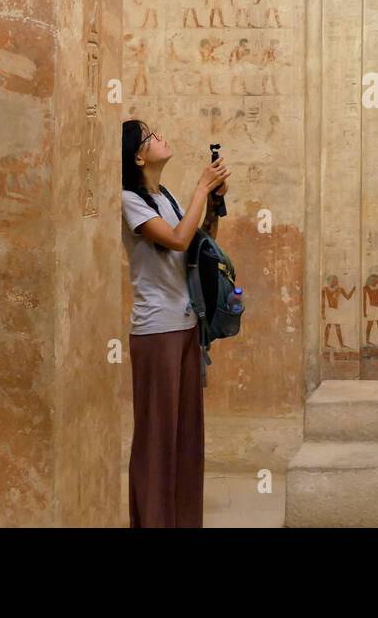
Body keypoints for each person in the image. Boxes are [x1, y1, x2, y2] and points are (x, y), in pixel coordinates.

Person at [121, 119, 229, 528]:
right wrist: (201, 188)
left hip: (186, 327)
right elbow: (176, 240)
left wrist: (213, 203)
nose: (161, 136)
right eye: (151, 137)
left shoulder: (164, 196)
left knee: (186, 439)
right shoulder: (129, 200)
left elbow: (196, 243)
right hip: (156, 330)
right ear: (137, 155)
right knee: (157, 438)